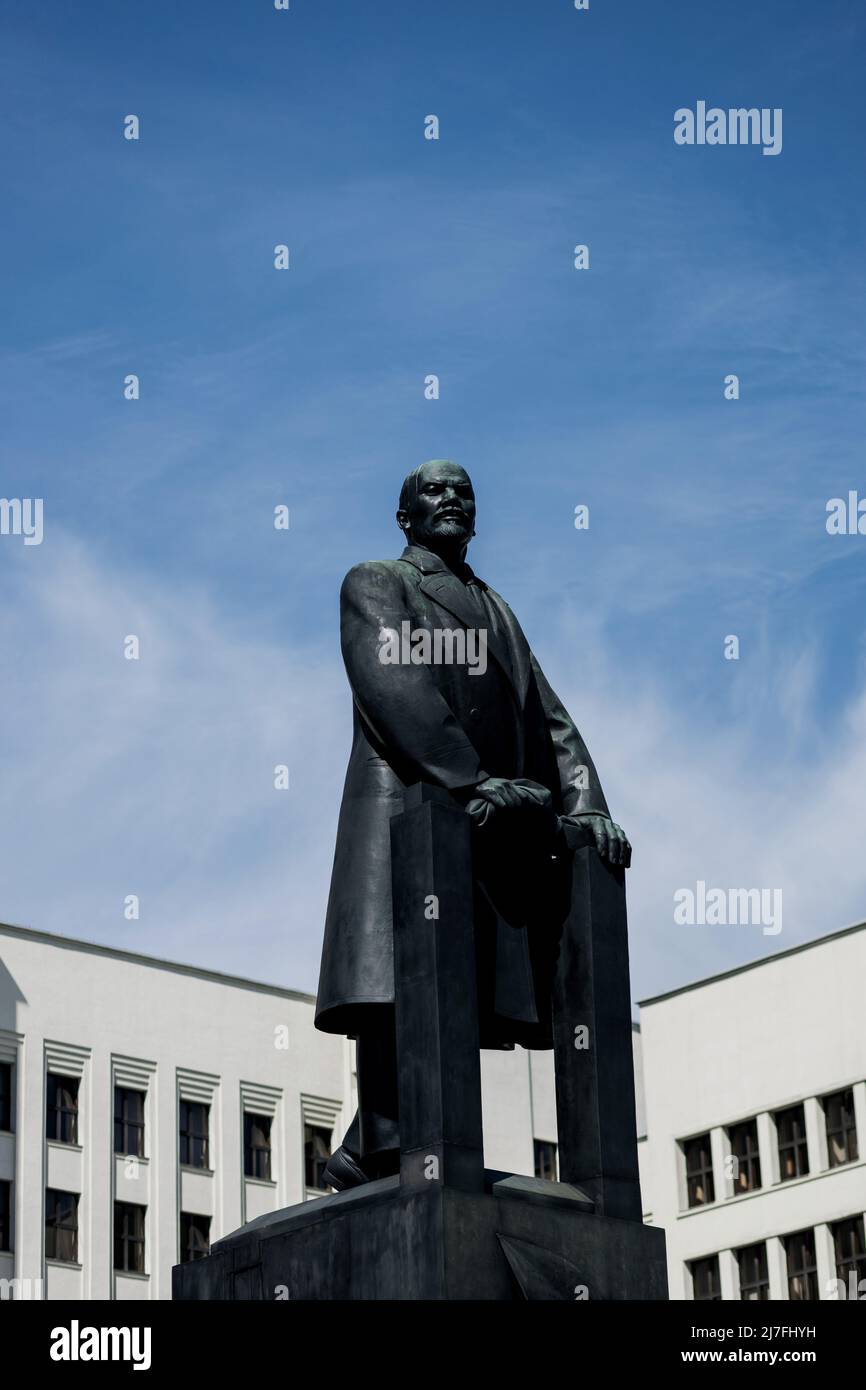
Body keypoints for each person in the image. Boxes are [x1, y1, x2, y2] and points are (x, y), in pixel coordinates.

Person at [315, 460, 631, 1189]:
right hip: (411, 813)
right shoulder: (377, 582)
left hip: (489, 831)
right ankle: (380, 1146)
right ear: (404, 517)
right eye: (434, 490)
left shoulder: (497, 610)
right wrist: (472, 777)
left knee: (455, 996)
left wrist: (585, 804)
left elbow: (547, 716)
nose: (452, 498)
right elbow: (396, 688)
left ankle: (369, 1145)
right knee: (403, 985)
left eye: (464, 491)